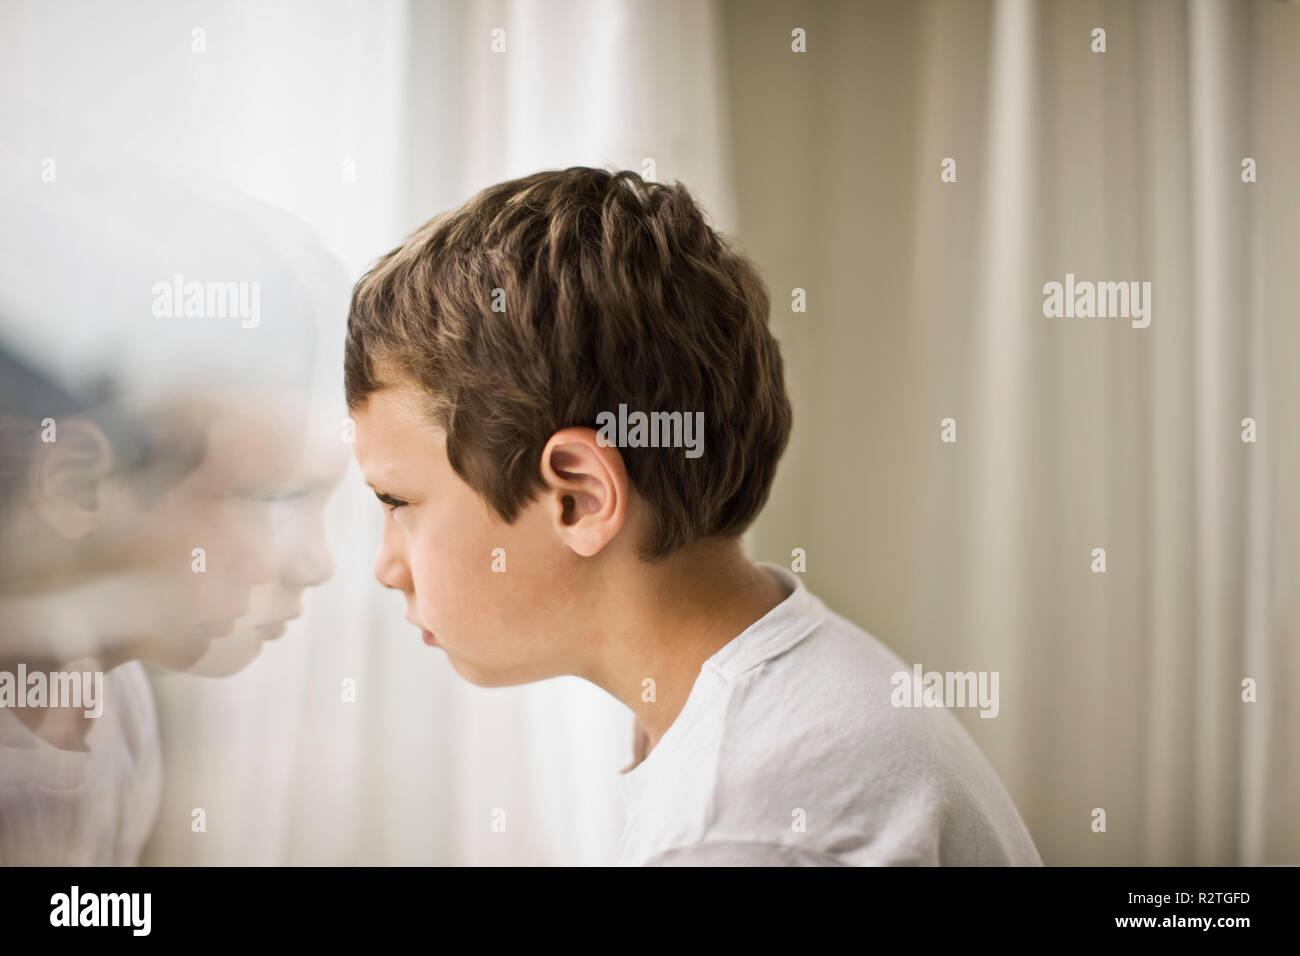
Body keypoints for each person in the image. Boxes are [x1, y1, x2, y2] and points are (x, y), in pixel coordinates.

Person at [345, 166, 1043, 866]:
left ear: (579, 498)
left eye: (399, 504)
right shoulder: (791, 676)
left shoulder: (738, 830)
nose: (386, 567)